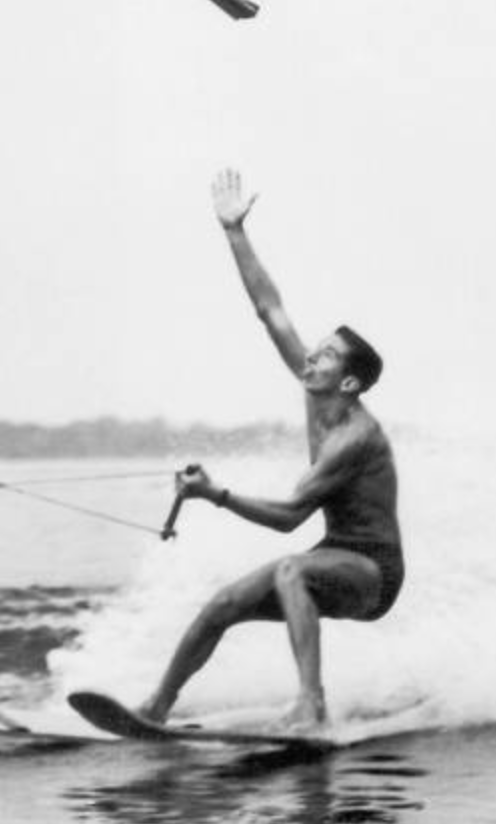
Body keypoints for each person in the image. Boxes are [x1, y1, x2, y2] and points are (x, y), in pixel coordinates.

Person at [138, 168, 404, 733]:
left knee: (288, 570)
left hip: (373, 574)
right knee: (222, 605)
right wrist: (234, 231)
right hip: (333, 551)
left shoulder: (356, 439)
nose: (312, 359)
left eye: (327, 356)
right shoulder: (316, 392)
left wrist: (215, 494)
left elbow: (288, 520)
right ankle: (155, 708)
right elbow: (270, 311)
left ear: (350, 383)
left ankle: (312, 702)